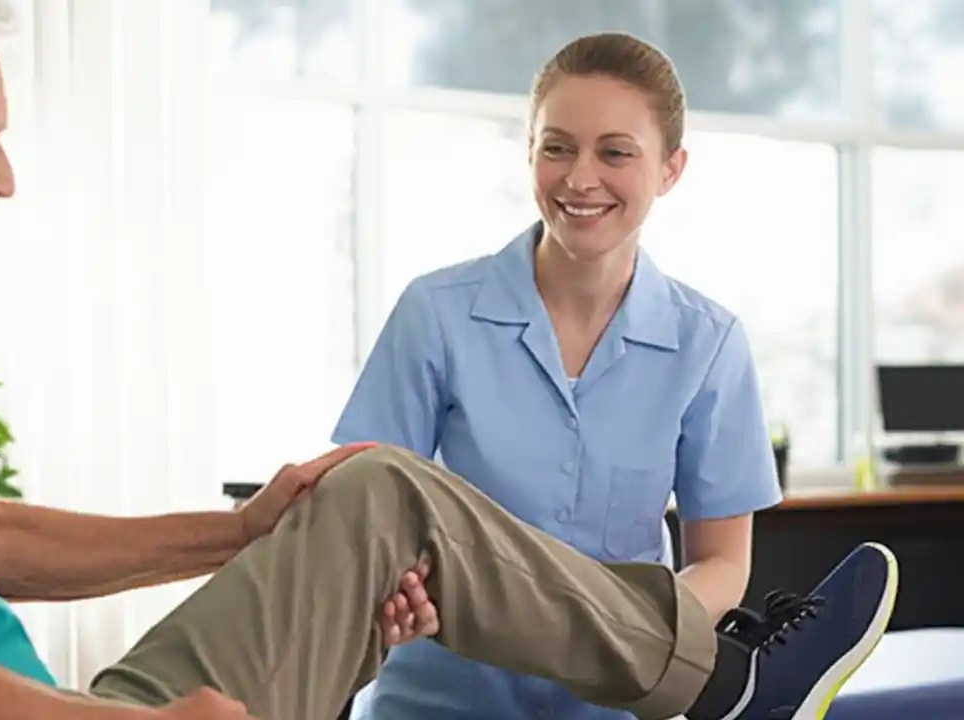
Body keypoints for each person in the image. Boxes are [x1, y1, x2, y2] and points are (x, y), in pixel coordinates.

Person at [0, 3, 896, 719]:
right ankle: (718, 688)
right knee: (382, 490)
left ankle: (710, 682)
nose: (3, 180)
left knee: (366, 491)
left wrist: (242, 533)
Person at [332, 32, 799, 720]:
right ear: (529, 153)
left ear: (670, 169)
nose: (580, 178)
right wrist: (395, 588)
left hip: (615, 704)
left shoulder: (708, 343)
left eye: (615, 152)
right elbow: (358, 513)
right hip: (439, 698)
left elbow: (724, 564)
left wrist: (607, 632)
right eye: (557, 147)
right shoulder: (435, 314)